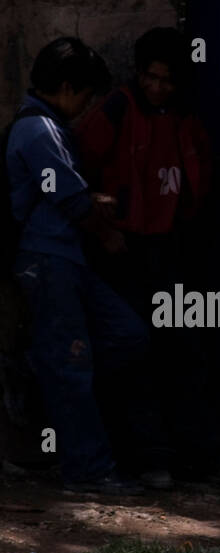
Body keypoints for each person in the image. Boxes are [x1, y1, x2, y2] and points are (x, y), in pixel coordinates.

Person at [5, 36, 166, 494]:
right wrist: (107, 222)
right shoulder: (38, 129)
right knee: (71, 365)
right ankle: (88, 470)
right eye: (86, 96)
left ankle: (42, 374)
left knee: (125, 337)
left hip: (68, 260)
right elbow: (73, 201)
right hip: (47, 260)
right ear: (68, 86)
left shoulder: (51, 128)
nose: (87, 106)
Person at [78, 27, 220, 484]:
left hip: (170, 251)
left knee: (184, 351)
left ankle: (200, 460)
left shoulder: (186, 120)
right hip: (123, 251)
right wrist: (105, 231)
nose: (157, 87)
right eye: (151, 76)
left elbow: (196, 185)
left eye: (167, 79)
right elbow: (79, 175)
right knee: (134, 352)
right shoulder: (116, 111)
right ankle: (147, 461)